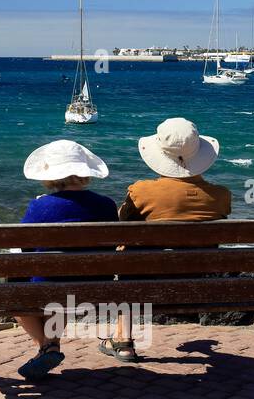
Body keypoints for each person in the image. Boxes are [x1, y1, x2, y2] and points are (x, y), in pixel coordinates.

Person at [103, 117, 232, 362]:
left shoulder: (141, 191)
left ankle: (123, 342)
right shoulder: (221, 196)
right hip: (200, 281)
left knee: (126, 257)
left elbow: (121, 226)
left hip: (144, 281)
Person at [14, 140, 118, 380]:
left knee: (17, 291)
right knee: (62, 282)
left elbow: (25, 247)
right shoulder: (106, 205)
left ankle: (47, 346)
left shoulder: (40, 206)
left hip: (50, 285)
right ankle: (48, 346)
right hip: (96, 285)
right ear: (84, 173)